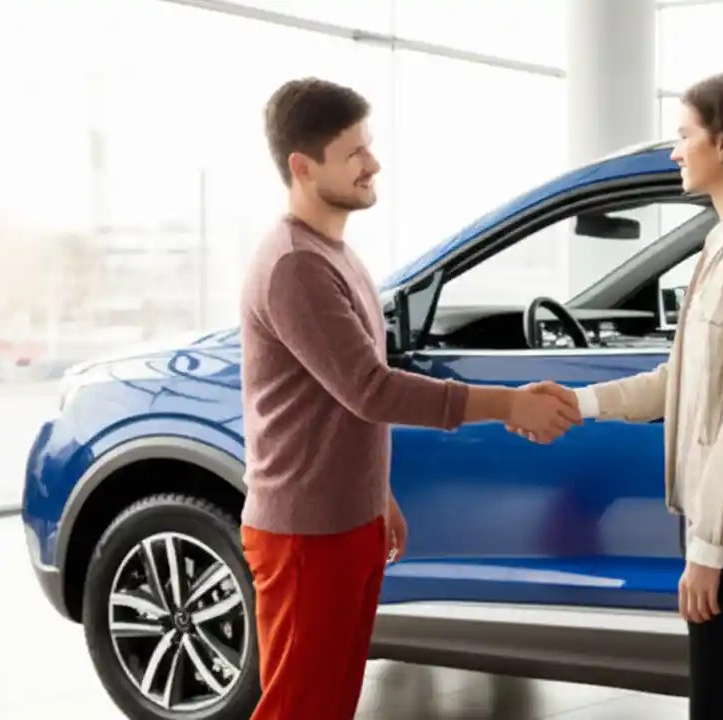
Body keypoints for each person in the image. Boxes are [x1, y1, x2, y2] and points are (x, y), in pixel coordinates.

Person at [237, 77, 581, 720]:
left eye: (369, 146)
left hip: (346, 521)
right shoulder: (294, 266)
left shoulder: (334, 253)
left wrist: (377, 494)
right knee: (299, 706)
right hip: (305, 535)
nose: (373, 164)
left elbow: (341, 398)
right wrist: (507, 405)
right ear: (302, 167)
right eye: (354, 153)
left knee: (331, 702)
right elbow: (371, 390)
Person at [517, 71, 723, 719]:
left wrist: (709, 553)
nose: (674, 150)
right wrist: (580, 403)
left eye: (684, 134)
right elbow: (680, 382)